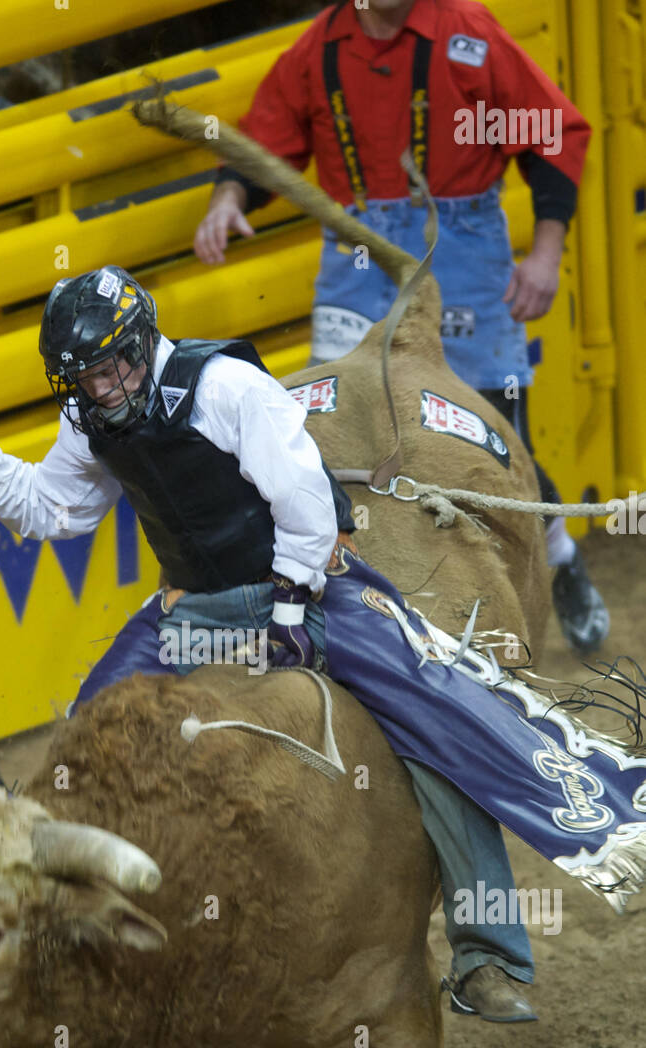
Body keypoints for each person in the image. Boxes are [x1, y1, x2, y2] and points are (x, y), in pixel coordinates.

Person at [0, 268, 646, 1024]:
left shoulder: (227, 387)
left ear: (138, 345)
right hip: (192, 606)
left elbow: (303, 502)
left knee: (441, 722)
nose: (98, 390)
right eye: (82, 379)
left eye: (106, 369)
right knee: (83, 743)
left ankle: (489, 953)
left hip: (306, 586)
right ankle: (40, 928)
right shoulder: (94, 419)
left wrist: (292, 601)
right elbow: (50, 508)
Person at [193, 0, 609, 655]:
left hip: (461, 250)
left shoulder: (468, 33)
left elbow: (552, 131)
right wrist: (228, 197)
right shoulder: (318, 50)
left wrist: (548, 253)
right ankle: (342, 604)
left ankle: (558, 560)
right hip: (354, 255)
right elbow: (265, 139)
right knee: (325, 434)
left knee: (493, 434)